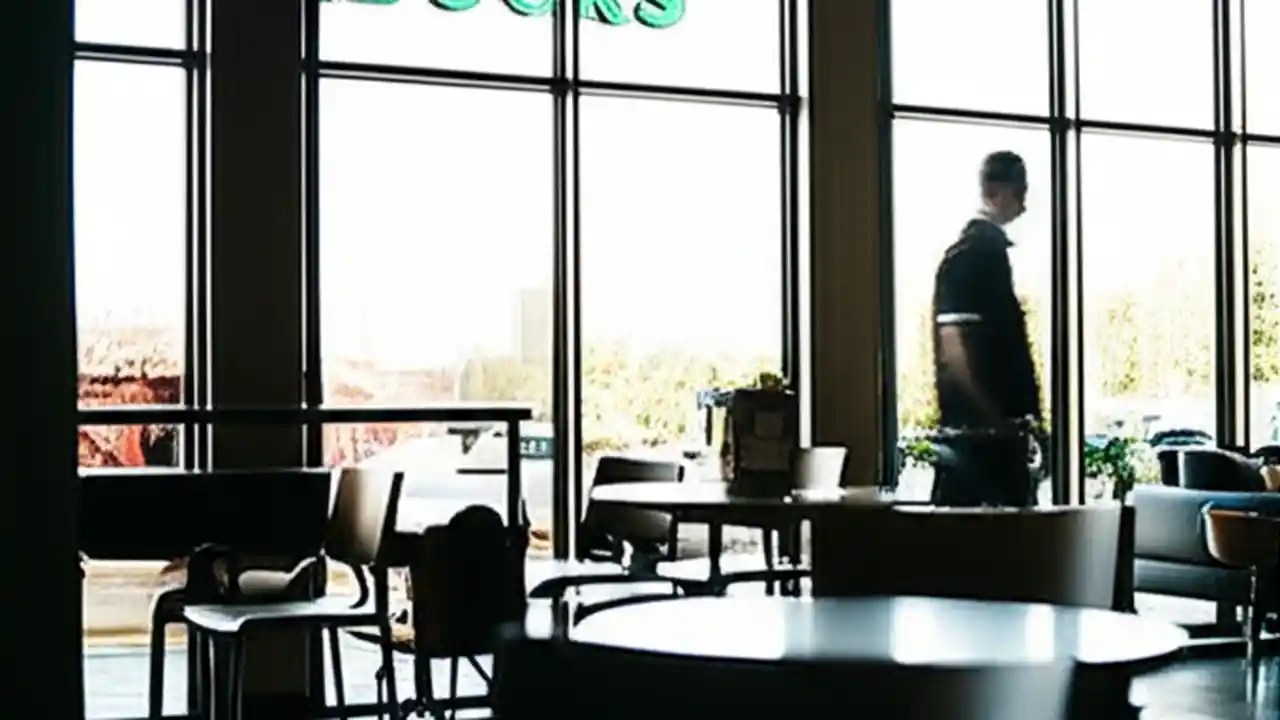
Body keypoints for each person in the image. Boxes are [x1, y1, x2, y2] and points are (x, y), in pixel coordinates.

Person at [930, 150, 1041, 507]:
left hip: (981, 441)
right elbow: (955, 353)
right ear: (997, 191)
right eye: (1020, 193)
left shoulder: (974, 256)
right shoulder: (974, 258)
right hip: (981, 446)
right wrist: (998, 422)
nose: (1024, 206)